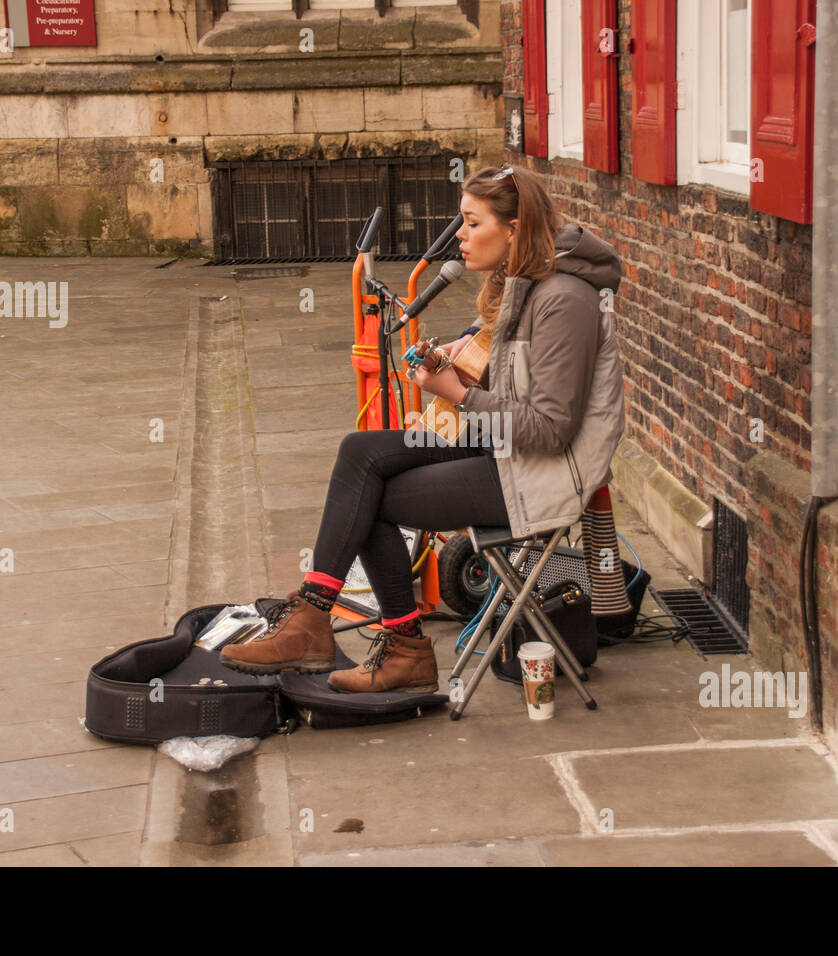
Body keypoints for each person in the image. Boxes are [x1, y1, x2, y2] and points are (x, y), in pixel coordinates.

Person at [220, 164, 625, 693]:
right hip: (503, 451)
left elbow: (549, 430)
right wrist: (460, 370)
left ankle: (397, 647)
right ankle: (319, 613)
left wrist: (456, 393)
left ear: (514, 229)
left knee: (376, 502)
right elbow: (516, 392)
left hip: (540, 474)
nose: (459, 234)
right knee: (359, 452)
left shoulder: (563, 300)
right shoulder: (527, 286)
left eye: (472, 222)